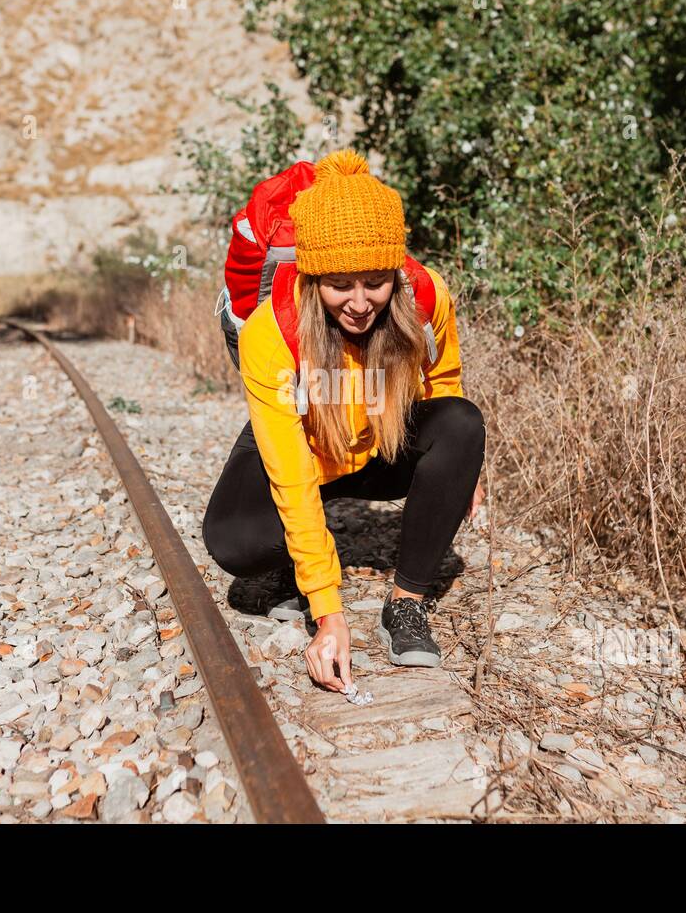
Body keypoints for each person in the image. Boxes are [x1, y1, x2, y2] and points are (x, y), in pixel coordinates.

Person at [202, 149, 485, 692]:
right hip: (305, 445)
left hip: (380, 443)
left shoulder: (427, 296)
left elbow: (445, 381)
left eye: (375, 281)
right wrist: (328, 611)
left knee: (462, 424)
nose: (359, 303)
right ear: (311, 279)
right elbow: (289, 471)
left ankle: (406, 606)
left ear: (395, 274)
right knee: (233, 542)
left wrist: (462, 470)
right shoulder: (272, 333)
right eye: (339, 285)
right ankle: (296, 568)